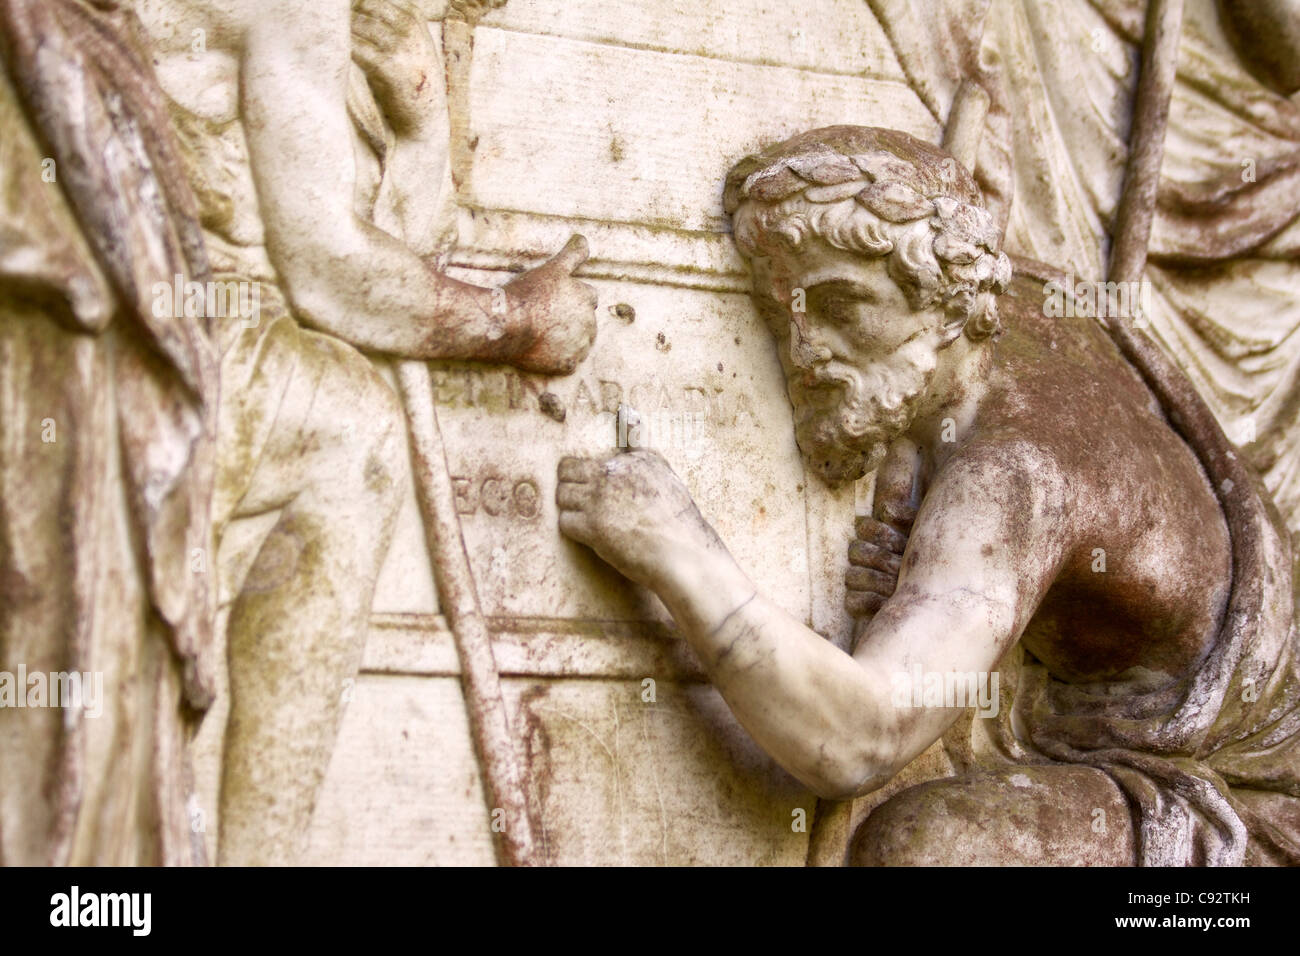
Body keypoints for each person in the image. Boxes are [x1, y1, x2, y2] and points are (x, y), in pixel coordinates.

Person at [555, 126, 1300, 865]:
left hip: (1241, 804)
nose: (807, 351)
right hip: (1210, 687)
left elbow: (856, 740)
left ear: (946, 303)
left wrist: (674, 549)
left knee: (923, 850)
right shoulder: (1032, 297)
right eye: (787, 316)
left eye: (843, 306)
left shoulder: (1012, 478)